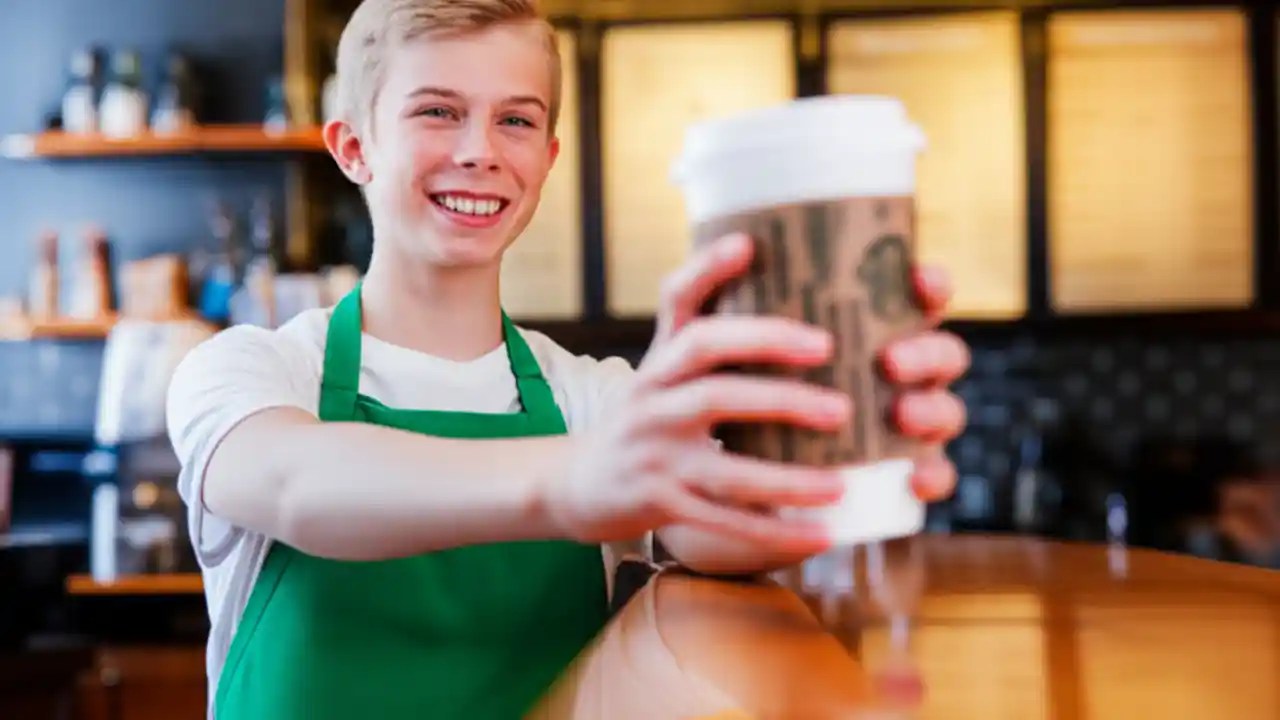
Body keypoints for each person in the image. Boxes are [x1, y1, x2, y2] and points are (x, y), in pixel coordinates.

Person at [165, 0, 971, 717]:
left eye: (515, 121)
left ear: (548, 160)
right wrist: (584, 479)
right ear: (353, 148)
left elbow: (713, 527)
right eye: (438, 111)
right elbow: (297, 484)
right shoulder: (251, 372)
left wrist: (844, 448)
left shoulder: (594, 399)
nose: (480, 150)